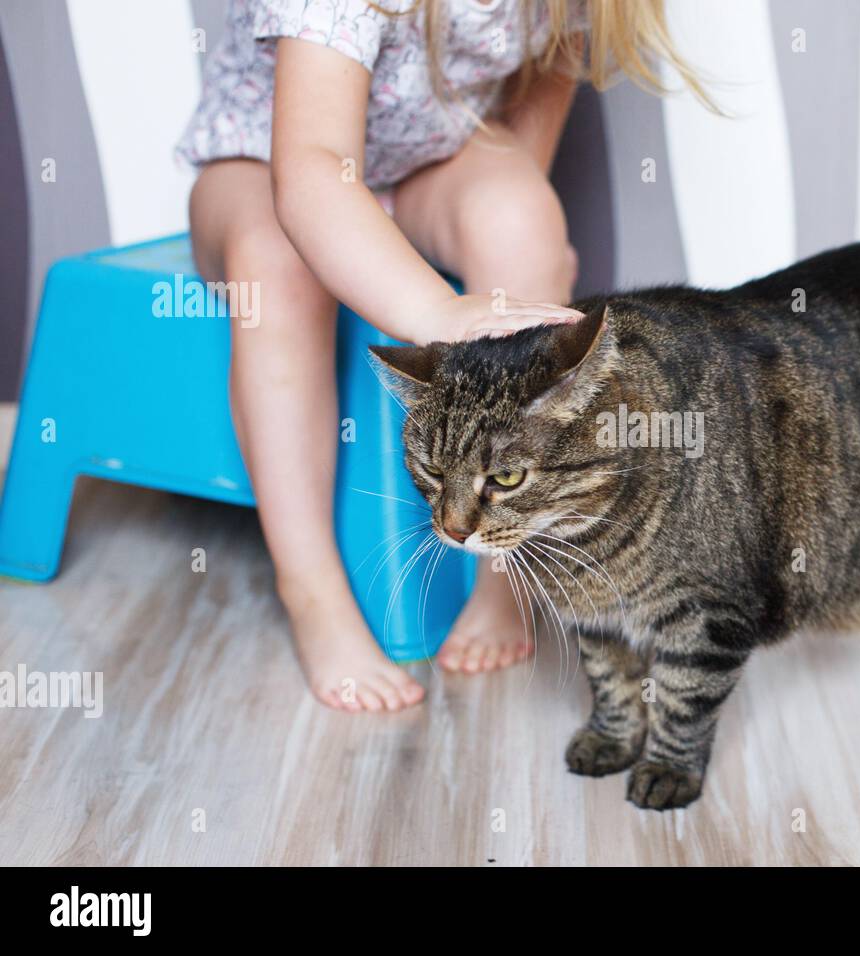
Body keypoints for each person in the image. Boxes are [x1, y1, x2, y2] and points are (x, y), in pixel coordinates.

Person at [176, 0, 706, 711]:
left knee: (520, 217)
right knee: (275, 261)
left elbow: (540, 94)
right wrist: (433, 313)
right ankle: (311, 590)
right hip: (264, 163)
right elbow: (310, 172)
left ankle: (506, 576)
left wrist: (527, 249)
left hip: (429, 163)